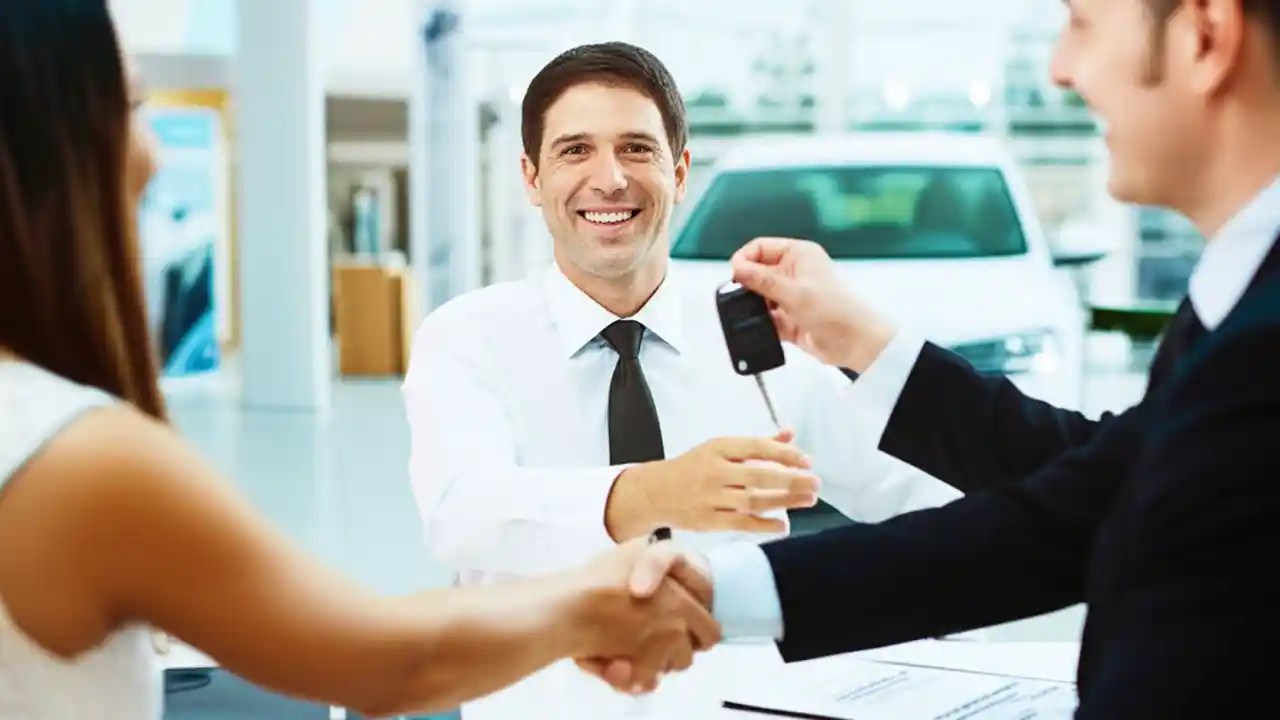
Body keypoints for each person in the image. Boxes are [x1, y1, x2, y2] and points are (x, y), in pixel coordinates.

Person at [0, 3, 718, 718]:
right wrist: (600, 604)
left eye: (635, 149)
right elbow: (392, 661)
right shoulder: (80, 462)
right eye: (134, 104)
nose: (153, 150)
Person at [610, 0, 1280, 716]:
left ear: (1206, 37)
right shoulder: (1242, 301)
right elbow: (1093, 491)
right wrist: (719, 589)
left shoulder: (1262, 342)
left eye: (1082, 23)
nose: (1060, 69)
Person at [401, 41, 961, 716]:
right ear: (530, 177)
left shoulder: (757, 333)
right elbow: (464, 516)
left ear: (681, 170)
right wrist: (656, 493)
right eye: (575, 150)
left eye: (637, 148)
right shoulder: (467, 337)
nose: (610, 179)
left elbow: (923, 506)